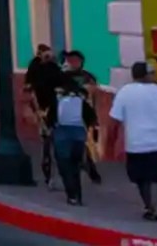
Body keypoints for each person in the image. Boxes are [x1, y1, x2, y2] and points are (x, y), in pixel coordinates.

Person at [109, 61, 157, 222]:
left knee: (141, 178)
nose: (153, 76)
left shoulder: (124, 92)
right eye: (152, 73)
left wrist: (113, 141)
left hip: (135, 144)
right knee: (156, 177)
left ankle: (148, 205)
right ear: (146, 74)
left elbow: (115, 120)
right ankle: (152, 207)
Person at [24, 44, 64, 188]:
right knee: (46, 143)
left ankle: (57, 174)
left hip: (56, 108)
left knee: (56, 143)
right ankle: (49, 175)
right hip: (41, 109)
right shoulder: (34, 67)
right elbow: (28, 86)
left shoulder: (54, 68)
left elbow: (62, 82)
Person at [53, 77, 97, 206]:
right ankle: (78, 194)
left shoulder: (58, 101)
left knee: (64, 166)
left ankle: (71, 195)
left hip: (62, 136)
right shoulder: (81, 102)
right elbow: (91, 118)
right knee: (75, 166)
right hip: (78, 136)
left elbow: (51, 119)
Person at [63, 50, 103, 184]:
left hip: (84, 115)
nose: (72, 63)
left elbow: (94, 95)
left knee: (87, 142)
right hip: (66, 116)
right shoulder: (61, 76)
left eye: (74, 60)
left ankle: (90, 167)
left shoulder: (88, 77)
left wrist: (94, 116)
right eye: (69, 60)